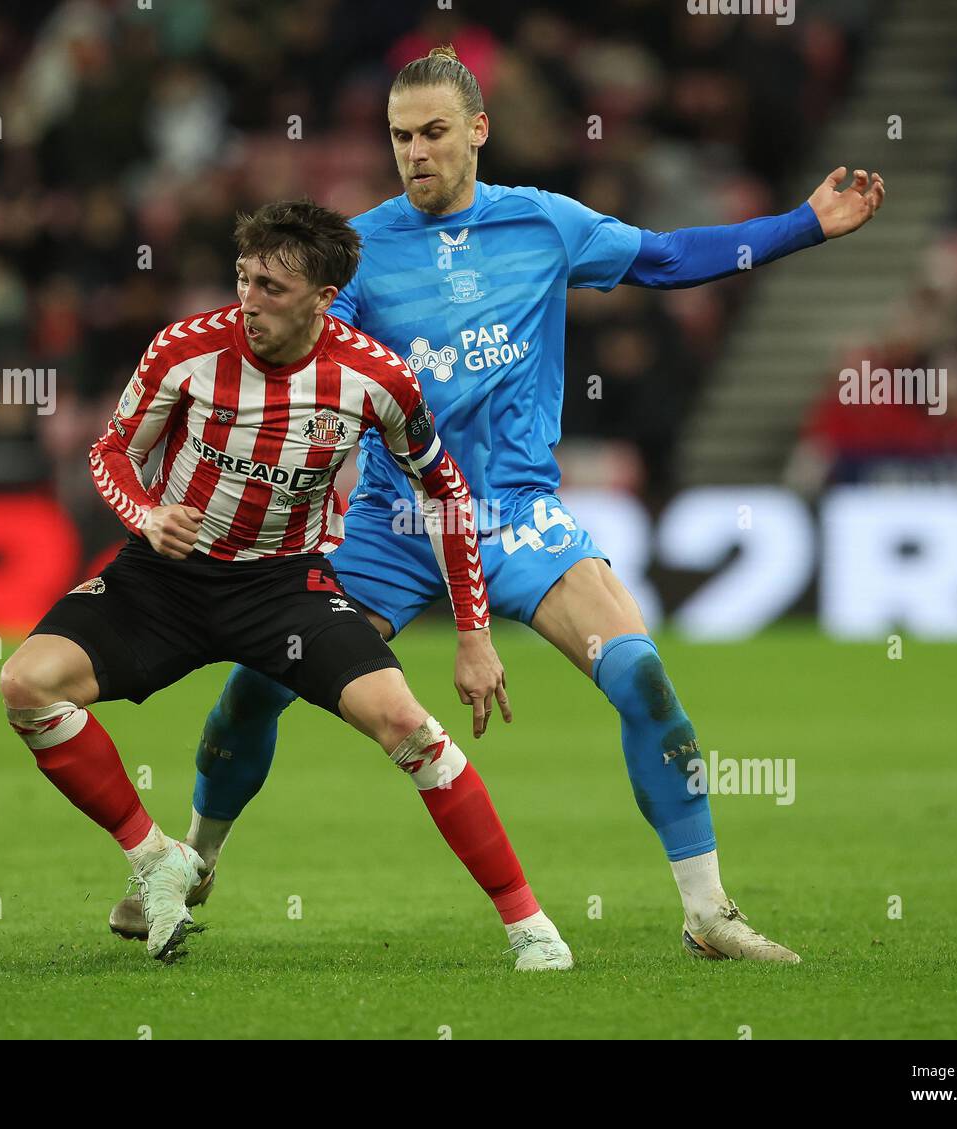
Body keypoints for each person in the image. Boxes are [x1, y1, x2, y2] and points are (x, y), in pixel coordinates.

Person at [113, 45, 886, 963]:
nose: (416, 153)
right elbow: (295, 347)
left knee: (641, 676)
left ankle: (707, 910)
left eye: (435, 132)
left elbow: (672, 258)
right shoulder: (356, 255)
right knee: (251, 695)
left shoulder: (547, 226)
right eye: (401, 137)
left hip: (516, 516)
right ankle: (190, 864)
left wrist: (807, 223)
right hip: (395, 527)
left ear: (478, 130)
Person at [2, 199, 572, 969]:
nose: (250, 300)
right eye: (244, 279)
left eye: (272, 287)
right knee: (26, 682)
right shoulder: (184, 349)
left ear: (323, 299)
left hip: (283, 588)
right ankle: (157, 857)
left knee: (411, 728)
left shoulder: (375, 378)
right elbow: (110, 451)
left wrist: (473, 632)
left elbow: (445, 492)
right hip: (166, 575)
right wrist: (147, 512)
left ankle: (529, 924)